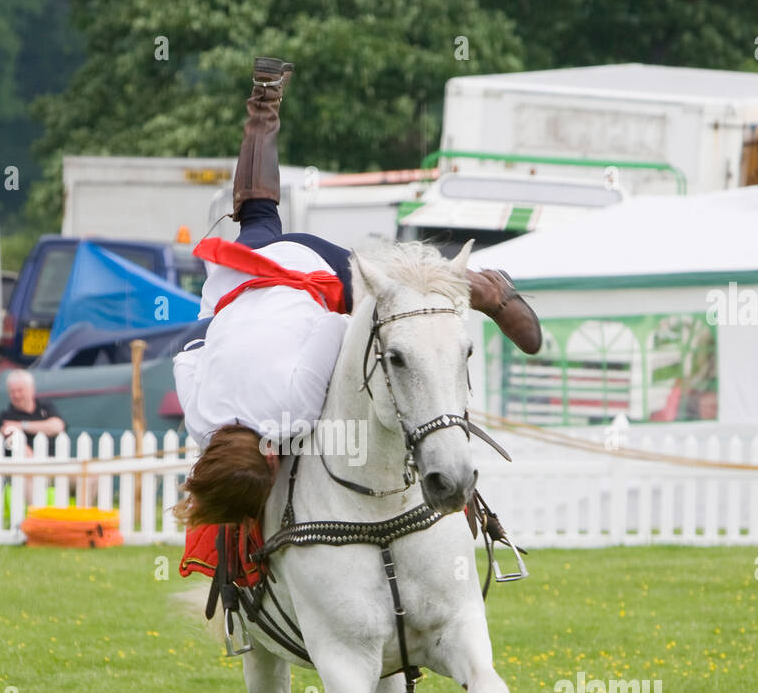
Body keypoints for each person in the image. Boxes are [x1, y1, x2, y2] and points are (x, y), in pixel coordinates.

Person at [174, 57, 542, 528]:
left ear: (270, 464)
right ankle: (264, 100)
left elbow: (334, 328)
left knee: (397, 293)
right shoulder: (201, 422)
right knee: (256, 212)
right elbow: (187, 352)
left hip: (311, 274)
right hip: (245, 276)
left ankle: (482, 292)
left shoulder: (288, 422)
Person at [0, 370, 66, 457]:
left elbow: (57, 427)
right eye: (12, 392)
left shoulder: (46, 407)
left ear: (31, 389)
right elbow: (18, 446)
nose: (16, 395)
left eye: (20, 390)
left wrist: (22, 426)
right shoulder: (5, 417)